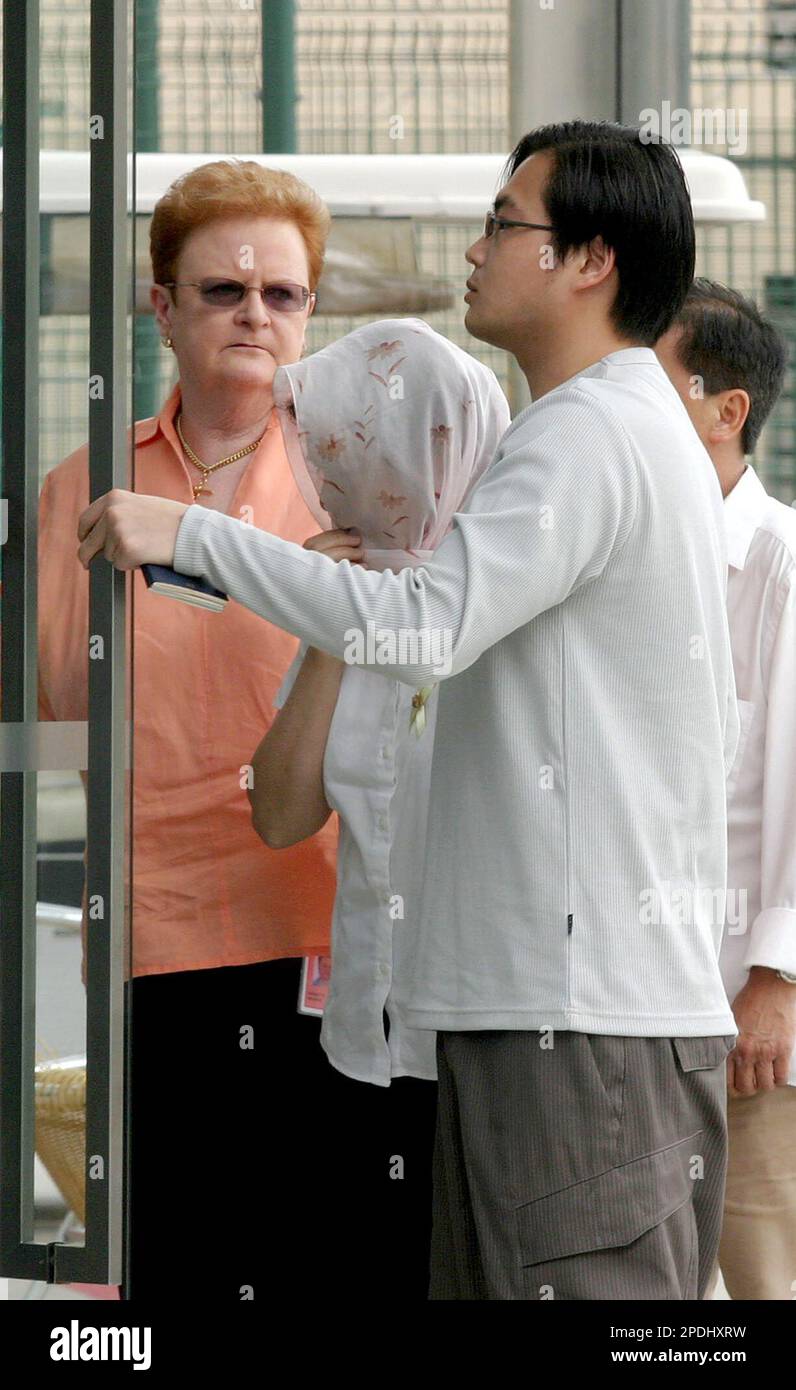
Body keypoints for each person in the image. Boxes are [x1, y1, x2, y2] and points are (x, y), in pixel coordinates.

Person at [77, 120, 741, 1301]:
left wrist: (197, 536)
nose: (474, 251)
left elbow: (425, 623)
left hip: (579, 1021)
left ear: (589, 261)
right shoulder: (594, 430)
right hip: (541, 1015)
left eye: (503, 224)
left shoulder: (590, 434)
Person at [39, 157, 340, 1298]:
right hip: (151, 934)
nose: (256, 314)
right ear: (162, 309)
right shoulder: (85, 486)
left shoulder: (356, 480)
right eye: (224, 290)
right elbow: (55, 701)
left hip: (324, 932)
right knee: (170, 1268)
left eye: (282, 293)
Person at [248, 318, 510, 1296]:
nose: (338, 478)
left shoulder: (508, 600)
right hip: (362, 1043)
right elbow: (280, 814)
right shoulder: (352, 590)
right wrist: (330, 624)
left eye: (361, 452)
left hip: (488, 1055)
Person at [656, 280, 796, 1301]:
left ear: (726, 409)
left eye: (648, 377)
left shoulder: (781, 565)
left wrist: (776, 981)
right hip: (641, 1016)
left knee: (762, 1282)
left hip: (750, 1024)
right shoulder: (639, 553)